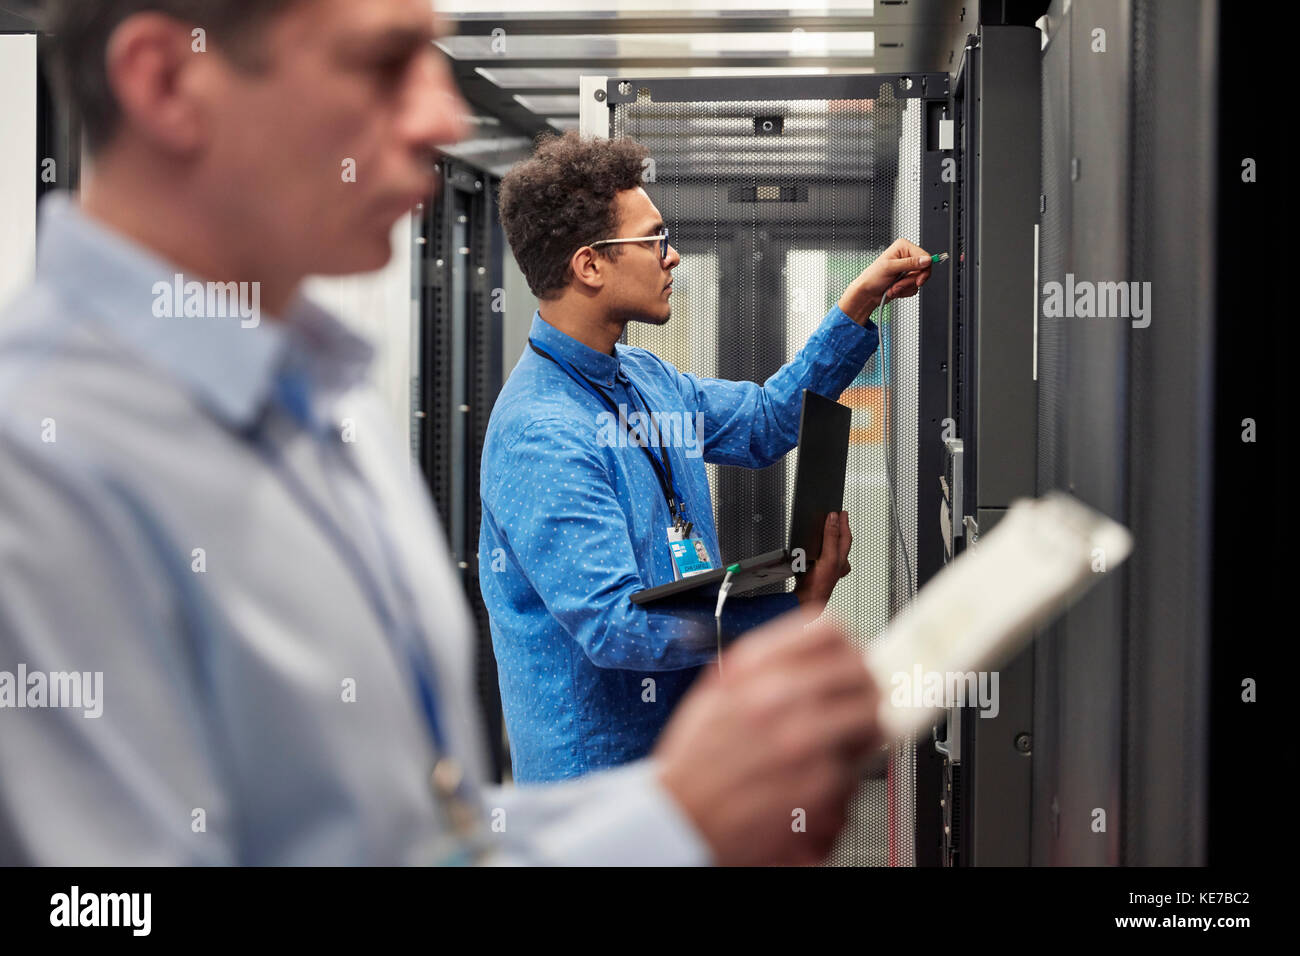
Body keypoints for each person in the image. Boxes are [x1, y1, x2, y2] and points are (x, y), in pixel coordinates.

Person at [0, 0, 883, 866]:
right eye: (384, 61)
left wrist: (683, 813)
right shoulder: (39, 475)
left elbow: (424, 836)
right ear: (166, 81)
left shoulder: (334, 406)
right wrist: (679, 802)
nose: (445, 114)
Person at [480, 130, 934, 783]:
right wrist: (793, 601)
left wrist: (859, 300)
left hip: (685, 765)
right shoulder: (540, 431)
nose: (674, 257)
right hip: (602, 799)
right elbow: (616, 627)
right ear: (590, 265)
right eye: (655, 239)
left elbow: (766, 422)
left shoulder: (643, 377)